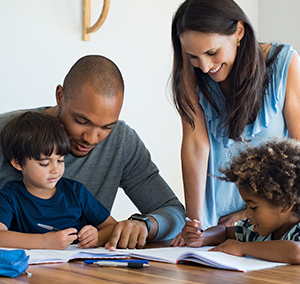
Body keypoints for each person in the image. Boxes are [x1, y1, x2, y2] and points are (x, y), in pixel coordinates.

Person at [0, 55, 185, 249]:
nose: (91, 138)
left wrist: (144, 223)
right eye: (81, 121)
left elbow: (174, 213)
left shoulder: (121, 141)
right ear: (60, 96)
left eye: (107, 127)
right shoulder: (6, 131)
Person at [170, 0, 300, 247]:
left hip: (273, 214)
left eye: (212, 53)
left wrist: (250, 212)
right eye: (193, 56)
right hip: (214, 218)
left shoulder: (285, 63)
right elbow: (196, 145)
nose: (205, 67)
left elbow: (298, 147)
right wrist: (194, 223)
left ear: (239, 32)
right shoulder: (192, 74)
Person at [0, 111, 116, 250]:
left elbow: (112, 226)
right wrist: (44, 242)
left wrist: (98, 237)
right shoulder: (9, 196)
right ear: (18, 163)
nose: (55, 170)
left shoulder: (76, 192)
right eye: (44, 163)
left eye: (60, 160)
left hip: (76, 267)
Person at [182, 138, 300, 264]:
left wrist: (241, 248)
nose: (247, 214)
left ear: (286, 203)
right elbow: (225, 231)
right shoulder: (256, 231)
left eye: (254, 207)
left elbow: (296, 252)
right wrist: (203, 237)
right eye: (247, 206)